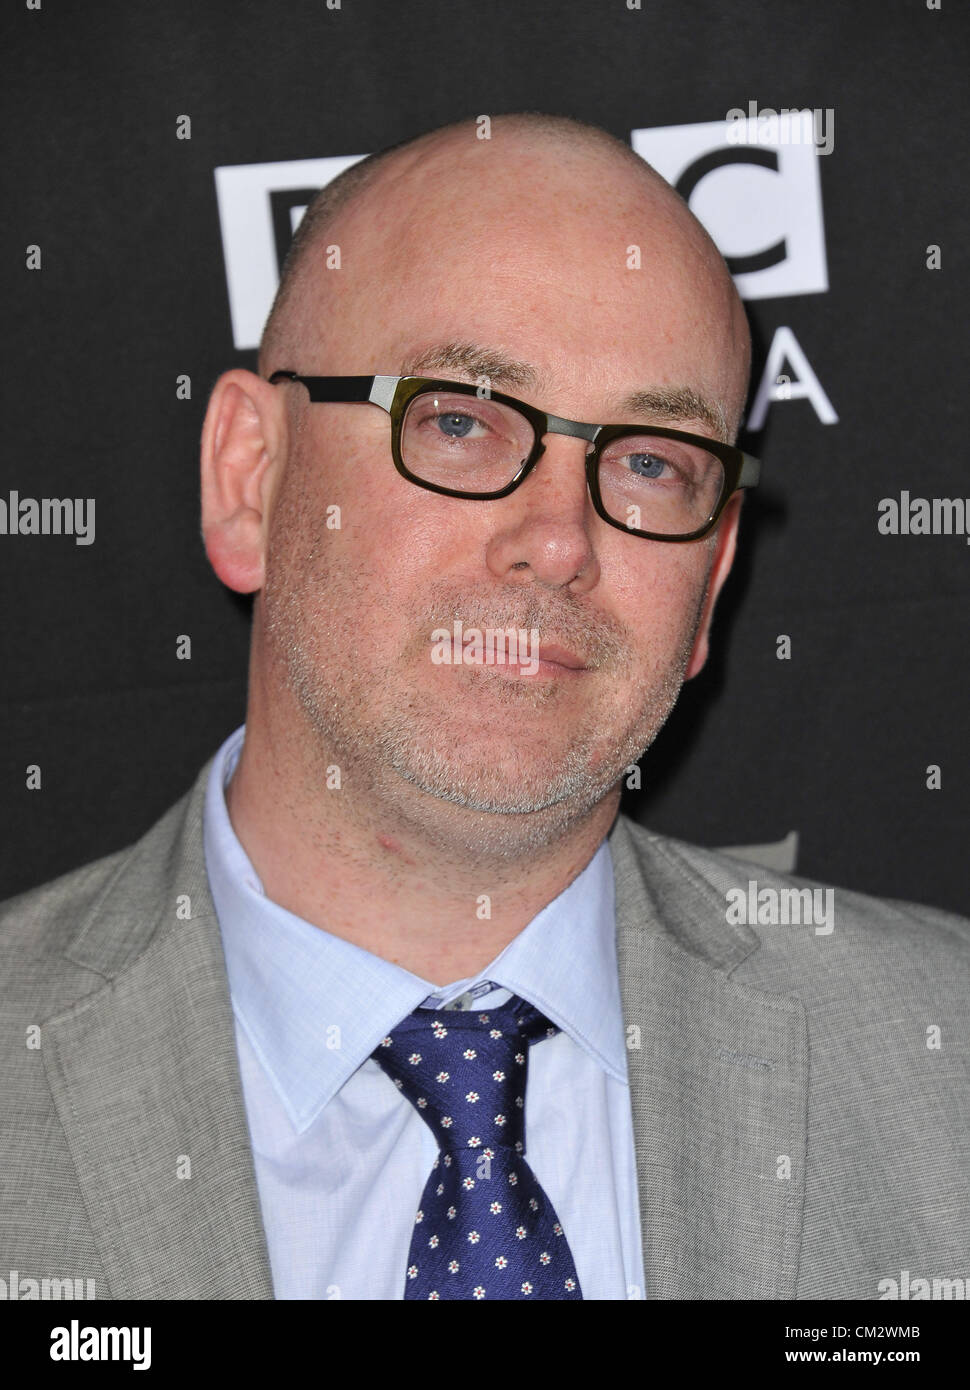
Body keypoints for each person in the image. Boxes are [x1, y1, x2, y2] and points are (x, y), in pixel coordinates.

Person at [1, 112, 968, 1302]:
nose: (559, 539)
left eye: (650, 460)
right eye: (458, 420)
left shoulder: (944, 1060)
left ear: (712, 579)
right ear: (250, 479)